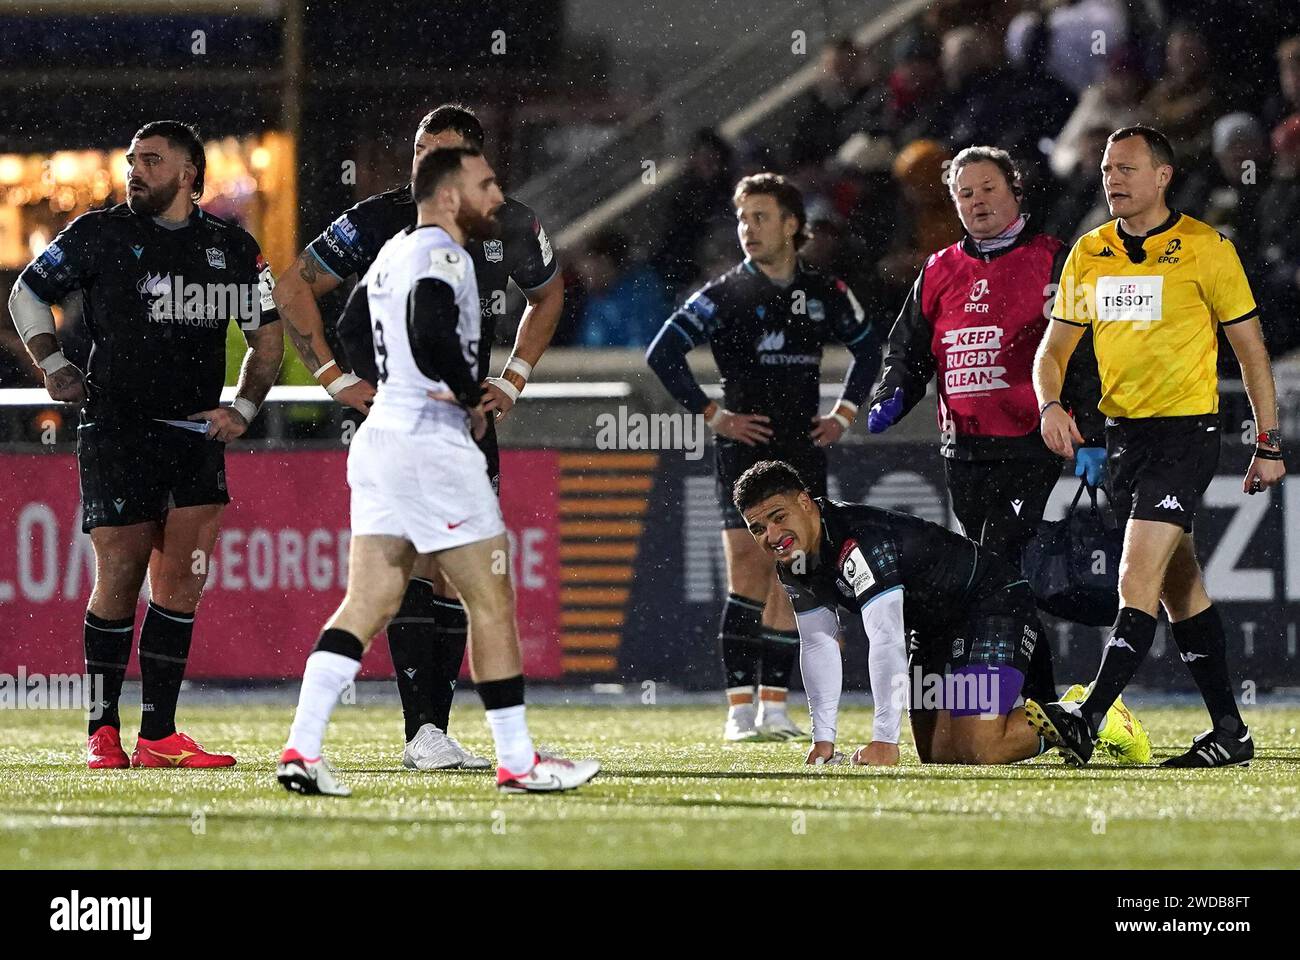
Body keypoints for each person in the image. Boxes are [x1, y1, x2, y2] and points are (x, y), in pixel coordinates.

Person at [277, 147, 598, 797]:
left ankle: (301, 750)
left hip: (381, 438)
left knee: (368, 601)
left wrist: (384, 384)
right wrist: (467, 391)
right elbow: (428, 323)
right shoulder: (447, 256)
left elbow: (352, 325)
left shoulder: (393, 252)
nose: (497, 197)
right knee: (491, 598)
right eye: (485, 185)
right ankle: (517, 761)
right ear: (449, 196)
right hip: (432, 441)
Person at [8, 120, 283, 769]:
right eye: (133, 160)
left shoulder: (233, 248)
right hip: (117, 429)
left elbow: (267, 338)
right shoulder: (98, 234)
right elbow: (27, 292)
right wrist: (52, 362)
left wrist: (243, 408)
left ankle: (159, 735)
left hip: (195, 434)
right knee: (121, 573)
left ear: (189, 173)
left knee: (182, 583)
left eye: (152, 161)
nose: (135, 171)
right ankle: (102, 732)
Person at [1031, 125, 1286, 767]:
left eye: (1127, 168)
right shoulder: (1090, 252)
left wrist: (1268, 440)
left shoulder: (1207, 248)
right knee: (1180, 588)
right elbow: (1053, 351)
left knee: (1134, 576)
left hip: (1185, 434)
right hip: (1124, 439)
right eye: (1107, 169)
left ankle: (1089, 717)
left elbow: (1251, 351)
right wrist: (1050, 404)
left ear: (1163, 176)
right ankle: (1230, 731)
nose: (1112, 179)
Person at [646, 173, 883, 742]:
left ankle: (774, 709)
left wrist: (845, 412)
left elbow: (870, 346)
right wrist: (713, 414)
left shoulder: (826, 290)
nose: (748, 230)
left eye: (760, 217)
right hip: (744, 449)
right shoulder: (724, 292)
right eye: (742, 219)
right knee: (749, 571)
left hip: (802, 448)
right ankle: (737, 712)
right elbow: (663, 351)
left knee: (793, 572)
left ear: (792, 224)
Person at [865, 145, 1103, 707]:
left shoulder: (1054, 259)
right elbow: (908, 351)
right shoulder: (938, 270)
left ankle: (1011, 702)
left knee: (996, 564)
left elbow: (1088, 354)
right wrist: (892, 393)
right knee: (1001, 576)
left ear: (1015, 190)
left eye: (988, 188)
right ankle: (1042, 707)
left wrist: (1091, 432)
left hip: (1030, 443)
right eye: (965, 193)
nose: (977, 201)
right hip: (963, 449)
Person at [733, 459, 1148, 766]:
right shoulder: (794, 562)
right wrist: (822, 740)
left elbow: (886, 638)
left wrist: (884, 741)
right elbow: (818, 644)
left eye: (778, 517)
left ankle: (1089, 713)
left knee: (983, 748)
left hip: (991, 604)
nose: (772, 536)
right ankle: (1061, 717)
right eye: (758, 529)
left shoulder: (859, 541)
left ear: (805, 503)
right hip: (932, 629)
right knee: (940, 753)